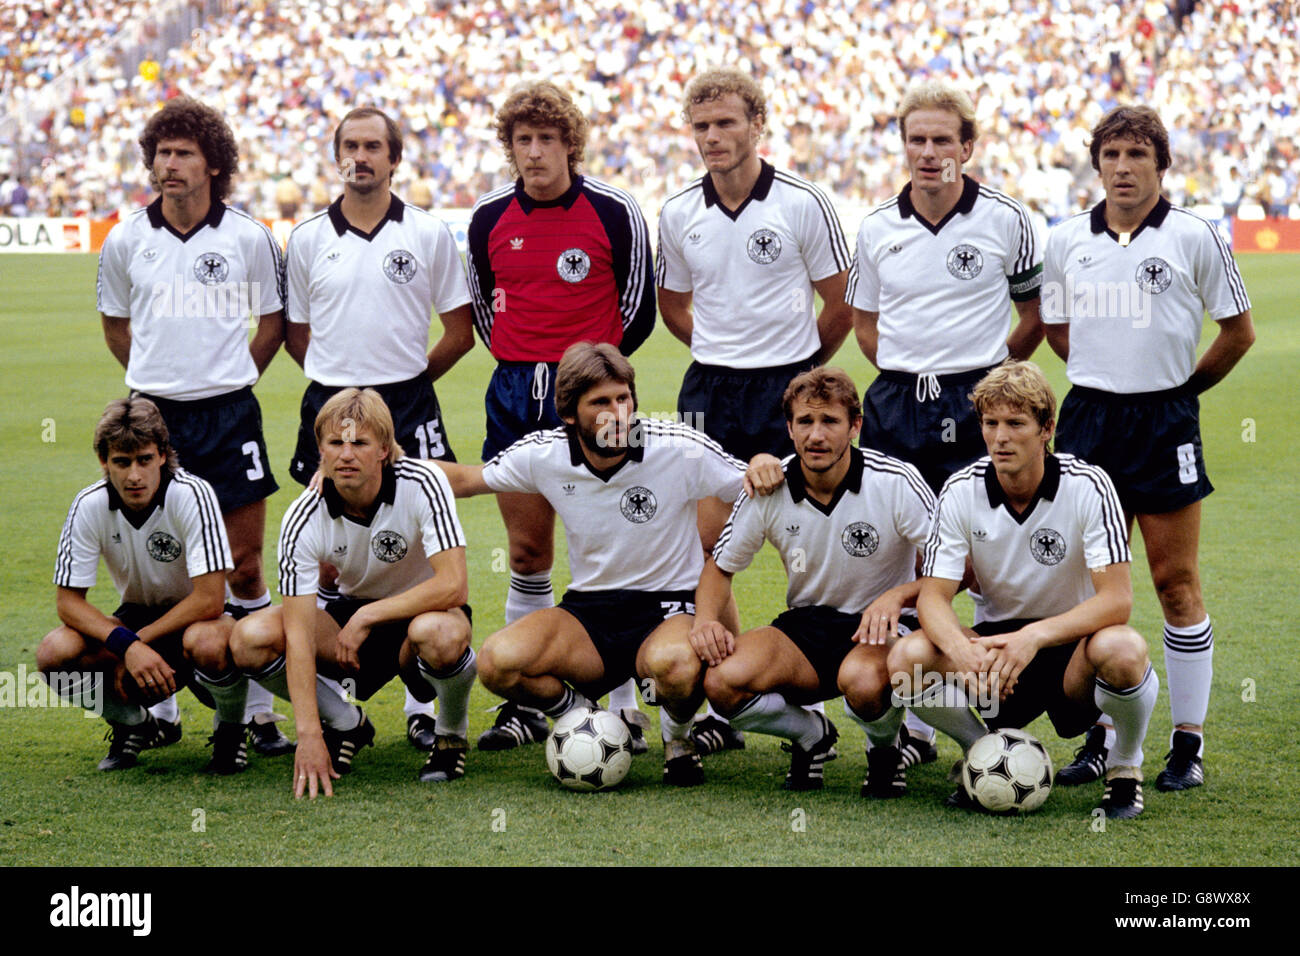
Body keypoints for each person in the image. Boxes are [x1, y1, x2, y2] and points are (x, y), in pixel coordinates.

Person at [1041, 105, 1255, 793]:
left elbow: (1238, 332)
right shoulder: (1066, 237)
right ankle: (1105, 736)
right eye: (1111, 155)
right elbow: (1057, 326)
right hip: (1089, 422)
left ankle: (1187, 743)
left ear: (1161, 165)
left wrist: (1179, 390)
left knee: (1175, 583)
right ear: (1097, 163)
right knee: (1088, 590)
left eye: (1137, 155)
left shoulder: (1196, 235)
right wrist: (1106, 381)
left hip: (1164, 425)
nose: (1123, 168)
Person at [432, 343, 746, 786]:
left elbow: (751, 482)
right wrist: (381, 466)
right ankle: (582, 716)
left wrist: (770, 465)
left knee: (674, 665)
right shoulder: (545, 454)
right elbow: (464, 479)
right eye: (600, 403)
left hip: (668, 610)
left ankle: (678, 741)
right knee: (497, 662)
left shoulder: (677, 446)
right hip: (590, 615)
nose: (617, 412)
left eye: (623, 399)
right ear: (568, 414)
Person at [845, 78, 1044, 765]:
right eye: (916, 140)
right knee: (903, 547)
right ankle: (917, 724)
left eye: (941, 140)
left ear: (968, 145)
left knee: (978, 545)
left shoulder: (1008, 219)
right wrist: (905, 369)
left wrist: (990, 382)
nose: (928, 153)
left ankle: (997, 686)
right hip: (897, 398)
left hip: (974, 400)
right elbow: (864, 323)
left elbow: (1035, 311)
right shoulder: (875, 227)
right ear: (903, 145)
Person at [657, 67, 854, 753]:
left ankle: (868, 688)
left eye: (726, 123)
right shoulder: (680, 211)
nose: (713, 137)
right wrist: (719, 350)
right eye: (702, 126)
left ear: (756, 125)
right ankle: (725, 686)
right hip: (710, 390)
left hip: (787, 389)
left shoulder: (803, 203)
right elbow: (673, 305)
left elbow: (840, 304)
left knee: (818, 537)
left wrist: (800, 370)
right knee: (711, 545)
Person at [96, 97, 292, 757]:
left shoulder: (248, 235)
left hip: (230, 413)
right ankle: (161, 714)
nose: (168, 164)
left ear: (213, 162)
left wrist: (230, 376)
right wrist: (160, 387)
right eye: (161, 152)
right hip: (153, 420)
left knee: (242, 567)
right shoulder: (125, 239)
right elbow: (116, 328)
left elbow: (272, 324)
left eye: (182, 153)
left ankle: (258, 716)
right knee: (163, 573)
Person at [466, 82, 656, 752]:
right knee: (527, 551)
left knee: (609, 551)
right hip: (516, 390)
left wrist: (588, 377)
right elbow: (486, 311)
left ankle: (626, 704)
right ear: (510, 146)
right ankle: (526, 702)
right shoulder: (489, 217)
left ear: (570, 144)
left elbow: (638, 309)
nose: (536, 152)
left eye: (548, 139)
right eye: (524, 140)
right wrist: (530, 367)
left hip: (596, 396)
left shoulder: (613, 209)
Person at [284, 106, 475, 754]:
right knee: (330, 539)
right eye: (350, 146)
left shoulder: (426, 233)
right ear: (336, 154)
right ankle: (339, 697)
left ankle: (425, 700)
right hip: (331, 397)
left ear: (395, 158)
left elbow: (459, 330)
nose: (361, 156)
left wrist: (409, 384)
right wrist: (339, 389)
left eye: (373, 146)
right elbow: (297, 333)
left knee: (421, 539)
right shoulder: (308, 237)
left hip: (408, 400)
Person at [889, 362, 1158, 819]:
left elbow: (1117, 600)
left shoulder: (1089, 486)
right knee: (907, 659)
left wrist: (1033, 637)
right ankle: (984, 754)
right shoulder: (960, 490)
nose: (1000, 437)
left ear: (1046, 429)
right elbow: (933, 596)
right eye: (990, 424)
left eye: (1015, 424)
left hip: (1073, 650)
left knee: (1125, 648)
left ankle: (1124, 767)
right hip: (995, 653)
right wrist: (962, 649)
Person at [693, 367, 935, 794]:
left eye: (830, 421)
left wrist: (899, 597)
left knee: (862, 683)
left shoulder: (896, 481)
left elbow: (954, 567)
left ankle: (884, 750)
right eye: (805, 422)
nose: (816, 435)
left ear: (855, 426)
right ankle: (810, 735)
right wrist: (706, 619)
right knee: (722, 682)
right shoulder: (770, 488)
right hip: (806, 628)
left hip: (879, 630)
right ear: (789, 427)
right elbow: (720, 566)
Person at [229, 390, 475, 797]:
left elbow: (453, 585)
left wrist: (369, 616)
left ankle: (450, 736)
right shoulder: (303, 516)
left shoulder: (423, 482)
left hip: (423, 613)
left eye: (359, 443)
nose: (346, 454)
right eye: (335, 443)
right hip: (346, 623)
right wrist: (308, 734)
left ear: (383, 449)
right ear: (320, 448)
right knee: (250, 638)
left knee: (441, 634)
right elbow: (299, 634)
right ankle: (346, 725)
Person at [36, 398, 252, 774]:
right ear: (104, 461)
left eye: (145, 460)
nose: (134, 475)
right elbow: (68, 603)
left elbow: (210, 598)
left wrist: (139, 643)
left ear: (163, 455)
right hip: (136, 617)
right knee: (55, 653)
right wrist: (126, 644)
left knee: (209, 643)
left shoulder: (191, 494)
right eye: (122, 462)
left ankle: (231, 730)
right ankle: (133, 724)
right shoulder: (89, 505)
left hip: (199, 620)